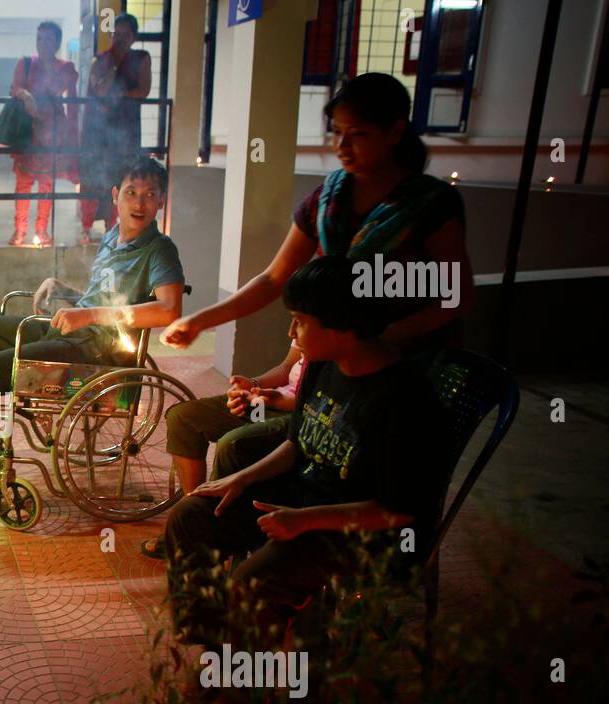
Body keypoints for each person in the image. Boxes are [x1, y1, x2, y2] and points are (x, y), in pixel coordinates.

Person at [159, 72, 472, 479]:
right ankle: (203, 529)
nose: (341, 146)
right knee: (191, 419)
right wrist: (199, 321)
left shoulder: (431, 206)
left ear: (395, 131)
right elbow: (273, 279)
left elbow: (454, 298)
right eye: (337, 133)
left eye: (357, 134)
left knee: (245, 451)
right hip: (321, 374)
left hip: (390, 376)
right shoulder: (328, 200)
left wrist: (375, 340)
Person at [165, 255, 448, 664]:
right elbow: (298, 442)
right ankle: (219, 647)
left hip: (360, 533)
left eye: (299, 319)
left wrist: (304, 521)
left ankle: (248, 679)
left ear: (342, 325)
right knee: (190, 518)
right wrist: (241, 479)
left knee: (253, 581)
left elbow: (397, 512)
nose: (291, 331)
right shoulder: (322, 365)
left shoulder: (403, 401)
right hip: (302, 498)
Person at [0, 157, 185, 506]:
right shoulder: (111, 237)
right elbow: (101, 298)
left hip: (98, 352)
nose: (139, 203)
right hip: (71, 333)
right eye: (131, 192)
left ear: (162, 201)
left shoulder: (160, 249)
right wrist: (61, 287)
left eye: (150, 194)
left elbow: (168, 309)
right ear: (115, 196)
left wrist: (90, 315)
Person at [138, 342, 304, 559]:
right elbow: (286, 367)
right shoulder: (304, 324)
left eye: (298, 321)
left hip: (295, 414)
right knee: (183, 418)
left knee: (231, 444)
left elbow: (314, 403)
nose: (292, 331)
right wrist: (253, 386)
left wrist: (274, 399)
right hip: (269, 401)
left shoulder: (336, 337)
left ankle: (211, 536)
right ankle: (195, 521)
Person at [79, 13, 150, 245]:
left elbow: (143, 90)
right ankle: (86, 229)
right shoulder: (101, 60)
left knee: (121, 179)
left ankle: (115, 226)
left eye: (125, 36)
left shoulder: (141, 58)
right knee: (94, 179)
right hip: (100, 132)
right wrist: (115, 64)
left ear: (133, 37)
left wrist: (119, 95)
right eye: (115, 35)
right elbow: (99, 90)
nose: (119, 40)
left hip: (126, 131)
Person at [8, 21, 78, 247]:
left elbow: (65, 94)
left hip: (52, 134)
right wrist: (26, 95)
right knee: (24, 183)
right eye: (39, 39)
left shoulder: (65, 68)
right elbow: (16, 87)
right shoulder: (26, 63)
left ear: (57, 42)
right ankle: (19, 230)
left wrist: (73, 134)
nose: (42, 44)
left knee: (47, 184)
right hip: (28, 132)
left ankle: (42, 230)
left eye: (48, 39)